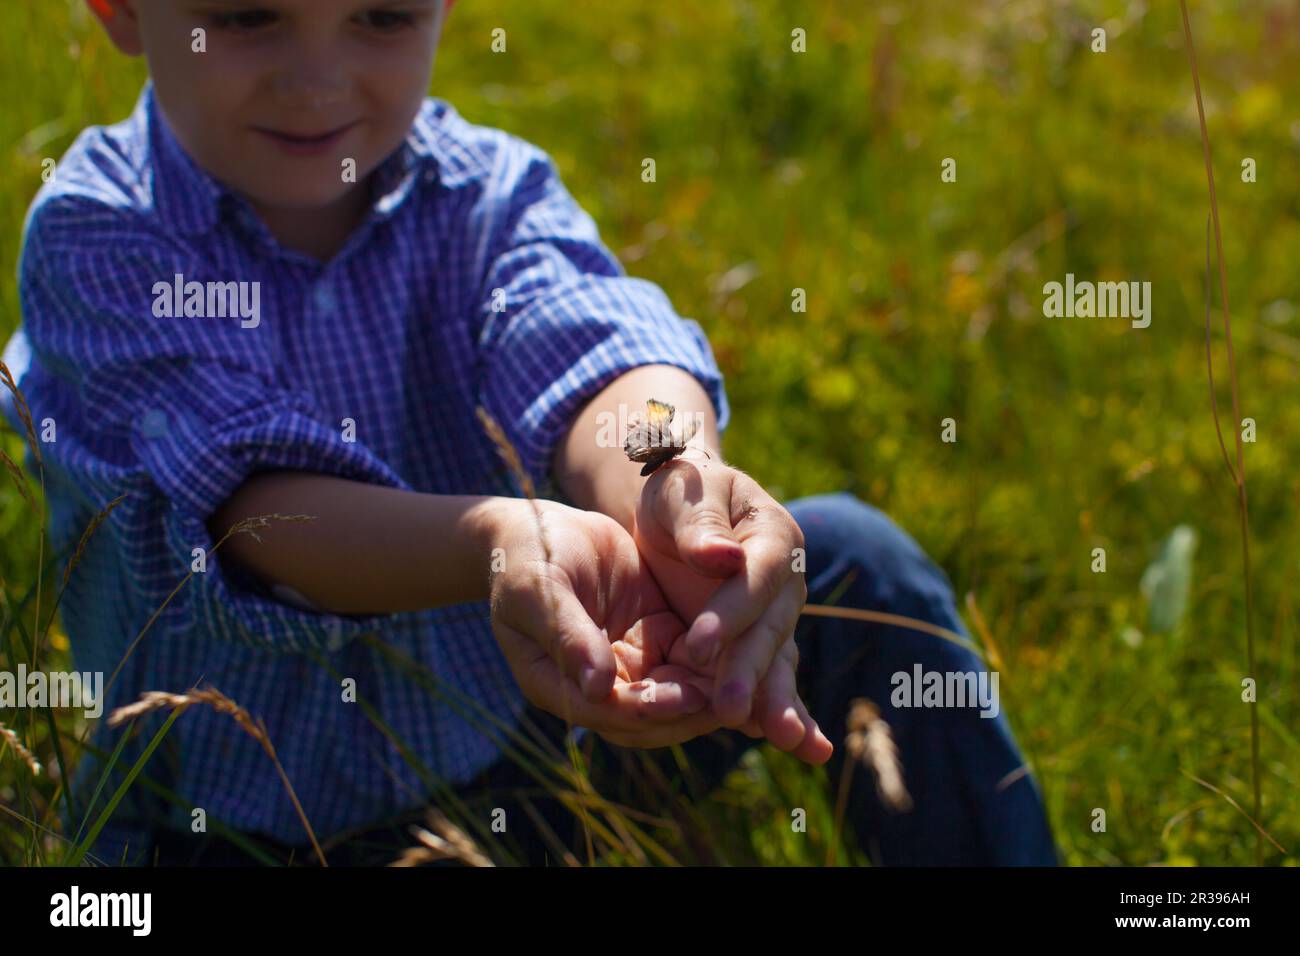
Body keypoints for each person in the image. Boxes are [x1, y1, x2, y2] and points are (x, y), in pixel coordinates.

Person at [0, 0, 1055, 865]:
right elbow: (252, 508)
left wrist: (670, 473)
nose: (317, 79)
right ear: (120, 9)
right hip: (245, 826)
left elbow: (585, 341)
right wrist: (495, 540)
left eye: (380, 16)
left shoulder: (483, 192)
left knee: (854, 558)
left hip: (527, 732)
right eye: (245, 18)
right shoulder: (100, 234)